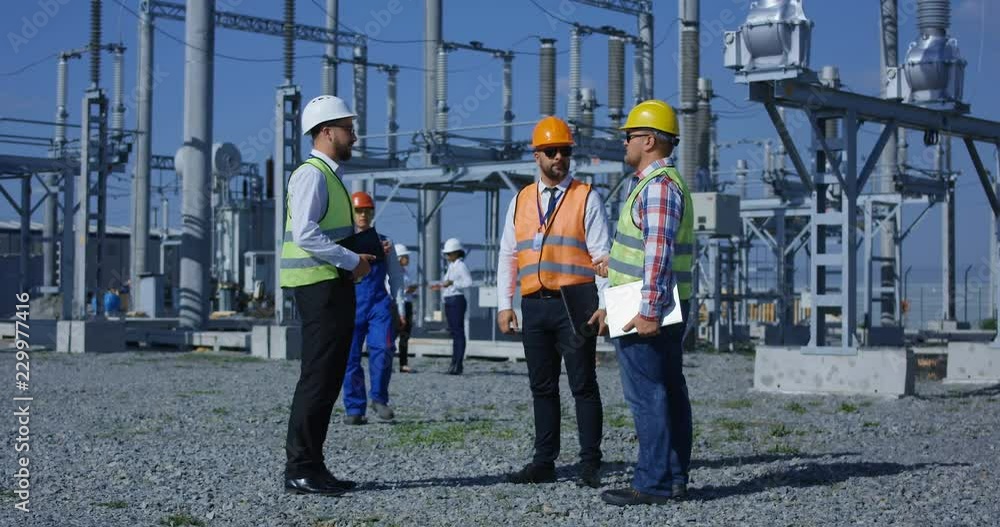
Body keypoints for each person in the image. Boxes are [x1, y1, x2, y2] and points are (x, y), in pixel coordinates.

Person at [496, 116, 610, 489]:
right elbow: (508, 255)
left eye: (564, 151)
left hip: (574, 303)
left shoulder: (586, 197)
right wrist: (504, 303)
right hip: (535, 304)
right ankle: (543, 462)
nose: (559, 157)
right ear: (537, 156)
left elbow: (602, 257)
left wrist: (604, 305)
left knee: (582, 384)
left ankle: (590, 463)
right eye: (551, 151)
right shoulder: (521, 201)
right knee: (541, 387)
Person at [597, 100, 695, 506]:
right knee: (667, 390)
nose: (624, 142)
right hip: (645, 301)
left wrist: (649, 311)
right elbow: (643, 250)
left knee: (648, 395)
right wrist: (612, 266)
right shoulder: (657, 186)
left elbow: (658, 255)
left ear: (649, 140)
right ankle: (671, 479)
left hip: (648, 307)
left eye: (629, 135)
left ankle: (653, 482)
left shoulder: (657, 187)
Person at [281, 95, 376, 496]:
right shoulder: (312, 174)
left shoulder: (330, 176)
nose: (353, 135)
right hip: (319, 288)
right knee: (318, 378)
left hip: (330, 285)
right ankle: (299, 468)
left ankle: (313, 466)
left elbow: (325, 233)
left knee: (328, 378)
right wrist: (351, 259)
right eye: (348, 128)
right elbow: (305, 233)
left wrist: (358, 251)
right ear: (326, 131)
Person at [341, 192, 403, 425]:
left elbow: (396, 275)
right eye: (359, 211)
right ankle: (354, 408)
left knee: (384, 347)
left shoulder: (385, 242)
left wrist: (400, 306)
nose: (363, 215)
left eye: (367, 210)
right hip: (351, 304)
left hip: (379, 304)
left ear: (373, 212)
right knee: (350, 358)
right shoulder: (342, 243)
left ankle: (378, 398)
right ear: (352, 213)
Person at [430, 238, 472, 374]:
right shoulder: (452, 266)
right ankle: (454, 362)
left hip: (456, 301)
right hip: (449, 300)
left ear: (456, 253)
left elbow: (468, 282)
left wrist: (453, 283)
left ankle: (458, 363)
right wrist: (441, 285)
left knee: (458, 332)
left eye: (449, 254)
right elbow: (448, 282)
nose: (447, 256)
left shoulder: (460, 266)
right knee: (454, 333)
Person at [394, 243, 417, 373]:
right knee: (392, 335)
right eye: (405, 256)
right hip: (397, 305)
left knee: (405, 335)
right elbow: (395, 290)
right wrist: (406, 290)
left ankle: (403, 364)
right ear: (399, 258)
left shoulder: (406, 272)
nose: (407, 259)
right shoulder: (394, 272)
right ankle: (386, 362)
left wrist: (410, 290)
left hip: (407, 304)